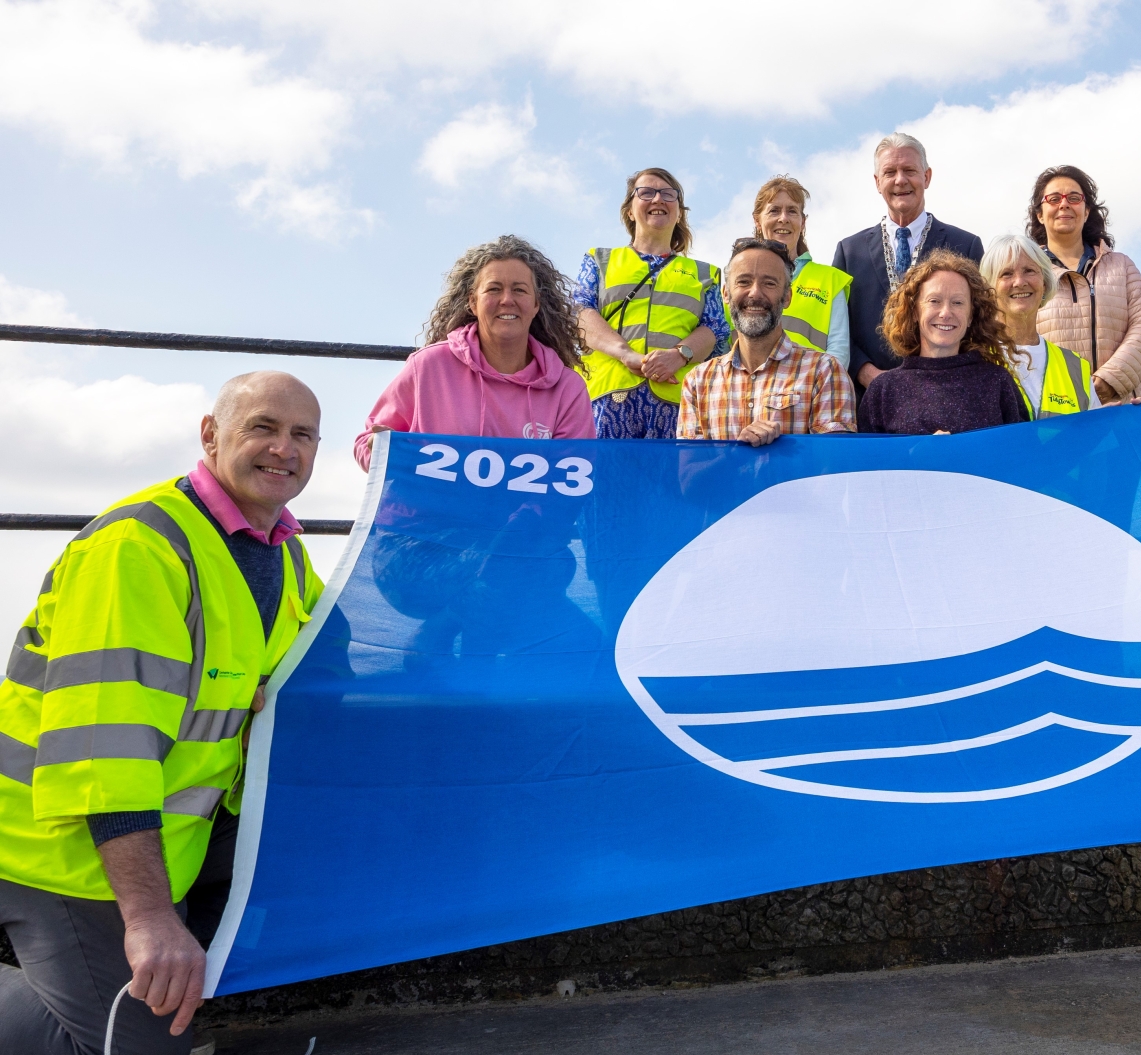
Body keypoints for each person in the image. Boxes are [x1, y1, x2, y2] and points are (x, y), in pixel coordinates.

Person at [1, 372, 326, 1055]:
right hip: (61, 846)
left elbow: (334, 672)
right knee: (131, 1048)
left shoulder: (289, 558)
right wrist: (148, 918)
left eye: (302, 434)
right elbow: (103, 747)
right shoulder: (139, 548)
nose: (283, 448)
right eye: (262, 427)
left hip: (178, 840)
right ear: (209, 434)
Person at [355, 235, 593, 470]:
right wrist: (380, 448)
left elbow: (573, 477)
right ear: (472, 302)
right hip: (430, 510)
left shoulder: (567, 390)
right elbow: (365, 445)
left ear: (536, 304)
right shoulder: (427, 366)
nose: (507, 300)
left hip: (524, 511)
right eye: (494, 289)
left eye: (519, 290)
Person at [574, 167, 730, 439]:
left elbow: (716, 329)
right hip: (606, 400)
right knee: (609, 481)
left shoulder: (706, 274)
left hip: (680, 404)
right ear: (630, 211)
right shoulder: (599, 259)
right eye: (646, 192)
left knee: (672, 481)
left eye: (668, 194)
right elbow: (579, 311)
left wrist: (678, 355)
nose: (658, 199)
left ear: (679, 211)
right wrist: (626, 354)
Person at [832, 133, 984, 391]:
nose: (900, 180)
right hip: (869, 397)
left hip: (947, 393)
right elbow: (838, 328)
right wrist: (867, 373)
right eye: (890, 172)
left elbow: (980, 323)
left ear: (927, 177)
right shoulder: (850, 251)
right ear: (877, 182)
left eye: (909, 170)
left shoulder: (965, 246)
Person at [677, 238, 855, 445]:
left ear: (787, 296)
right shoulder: (698, 382)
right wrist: (737, 452)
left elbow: (835, 467)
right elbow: (688, 473)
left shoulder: (824, 372)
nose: (755, 293)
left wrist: (777, 452)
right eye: (743, 281)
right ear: (725, 293)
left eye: (769, 283)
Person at [857, 250, 1028, 436]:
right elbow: (868, 461)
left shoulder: (997, 382)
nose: (945, 313)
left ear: (971, 315)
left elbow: (1023, 454)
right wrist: (920, 453)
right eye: (934, 301)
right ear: (914, 311)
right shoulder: (883, 390)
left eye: (958, 303)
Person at [1027, 165, 1141, 403]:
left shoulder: (1122, 266)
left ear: (1086, 211)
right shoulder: (1026, 276)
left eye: (1074, 198)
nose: (1064, 204)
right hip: (1057, 413)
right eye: (1054, 199)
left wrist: (1110, 380)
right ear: (1039, 214)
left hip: (1124, 409)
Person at [981, 233, 1097, 419]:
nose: (1019, 282)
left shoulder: (1075, 367)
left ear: (1044, 283)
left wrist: (1126, 416)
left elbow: (1096, 437)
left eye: (1029, 271)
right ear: (988, 290)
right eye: (1006, 274)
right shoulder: (973, 357)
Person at [751, 175, 853, 372]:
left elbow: (839, 352)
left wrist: (812, 389)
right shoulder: (738, 280)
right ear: (757, 220)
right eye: (774, 210)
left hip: (810, 395)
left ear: (803, 221)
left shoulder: (830, 279)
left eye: (792, 211)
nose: (783, 218)